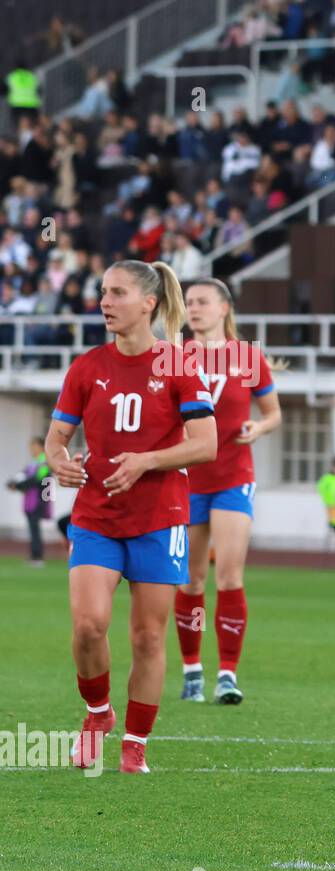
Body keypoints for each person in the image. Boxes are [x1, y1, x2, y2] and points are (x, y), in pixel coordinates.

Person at [44, 260, 217, 774]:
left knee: (147, 636)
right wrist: (59, 463)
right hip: (96, 516)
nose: (104, 302)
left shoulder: (179, 365)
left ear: (149, 303)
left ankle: (136, 742)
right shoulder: (87, 367)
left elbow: (205, 444)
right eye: (102, 292)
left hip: (162, 519)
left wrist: (146, 461)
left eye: (116, 293)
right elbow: (56, 440)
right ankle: (98, 713)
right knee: (88, 627)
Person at [174, 278, 281, 706]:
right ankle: (192, 670)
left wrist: (259, 427)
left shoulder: (248, 357)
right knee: (192, 581)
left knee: (230, 575)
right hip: (187, 479)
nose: (193, 309)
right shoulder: (172, 357)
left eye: (202, 302)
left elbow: (274, 413)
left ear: (224, 309)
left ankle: (228, 675)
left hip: (235, 477)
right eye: (189, 303)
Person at [7, 436, 52, 564]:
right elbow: (22, 476)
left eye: (34, 446)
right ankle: (34, 554)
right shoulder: (33, 462)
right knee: (32, 527)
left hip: (38, 500)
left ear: (41, 447)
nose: (32, 449)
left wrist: (19, 485)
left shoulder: (44, 461)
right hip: (30, 499)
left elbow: (39, 479)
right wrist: (13, 484)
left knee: (34, 526)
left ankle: (37, 556)